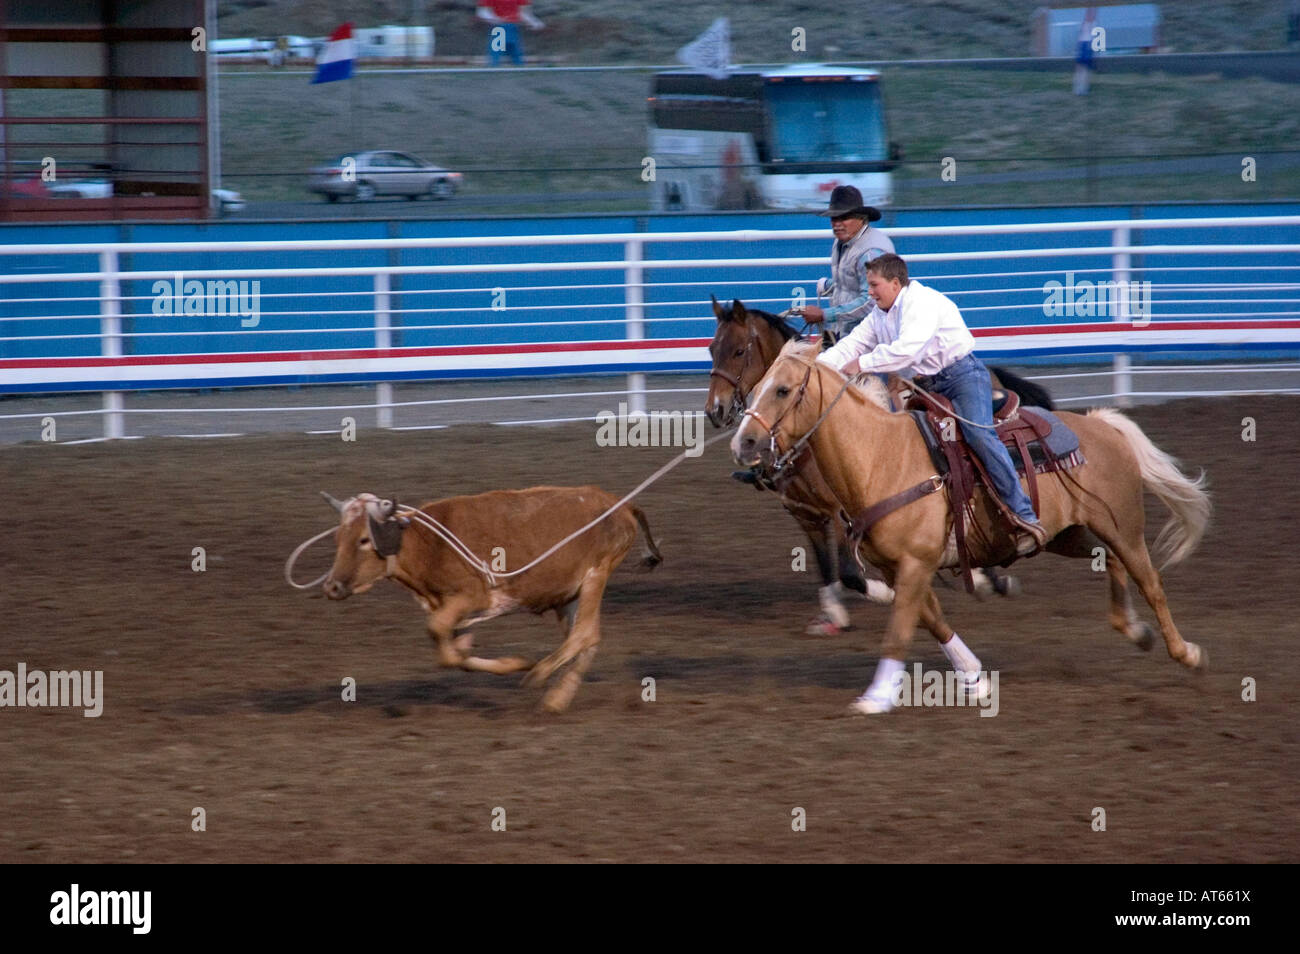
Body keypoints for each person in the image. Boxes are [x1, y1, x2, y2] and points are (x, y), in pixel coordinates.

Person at [816, 253, 1050, 556]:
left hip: (962, 377)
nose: (870, 292)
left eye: (874, 285)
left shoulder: (921, 303)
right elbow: (852, 344)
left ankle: (1024, 516)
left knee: (979, 435)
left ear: (895, 283)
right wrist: (817, 367)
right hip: (927, 384)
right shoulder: (880, 313)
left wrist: (861, 363)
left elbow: (907, 350)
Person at [794, 184, 894, 339]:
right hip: (848, 331)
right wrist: (831, 285)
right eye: (834, 218)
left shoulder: (870, 253)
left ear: (862, 218)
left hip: (869, 336)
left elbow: (871, 301)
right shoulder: (843, 242)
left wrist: (824, 314)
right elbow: (853, 282)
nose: (837, 223)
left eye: (844, 217)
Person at [477, 1, 544, 67]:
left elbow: (482, 12)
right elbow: (482, 12)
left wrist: (534, 22)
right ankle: (496, 71)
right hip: (501, 28)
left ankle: (517, 71)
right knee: (506, 55)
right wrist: (534, 23)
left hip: (508, 28)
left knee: (513, 54)